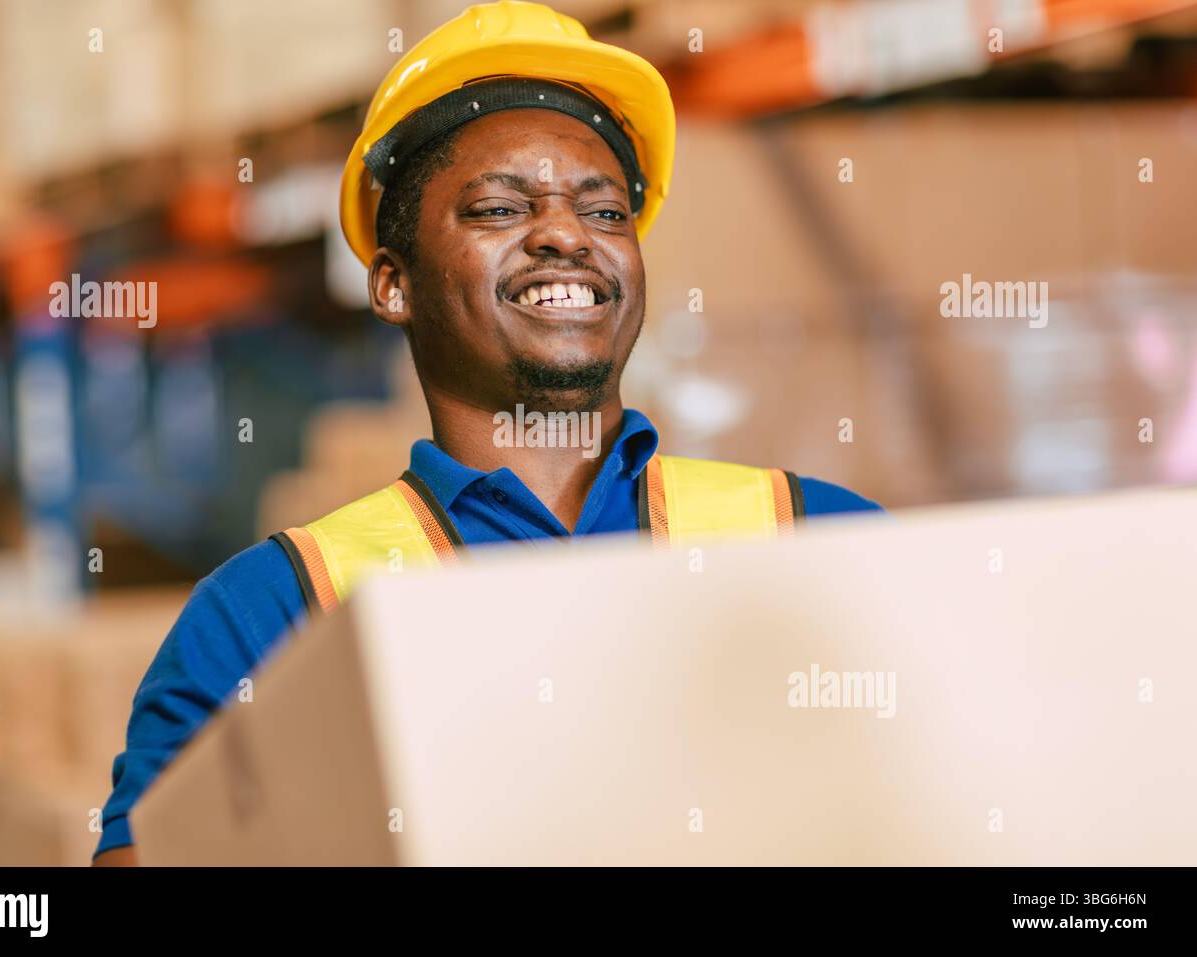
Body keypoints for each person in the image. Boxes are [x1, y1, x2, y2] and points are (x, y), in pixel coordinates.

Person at [93, 0, 880, 865]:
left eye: (607, 212)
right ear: (393, 285)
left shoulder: (815, 535)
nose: (566, 234)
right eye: (501, 209)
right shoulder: (269, 614)